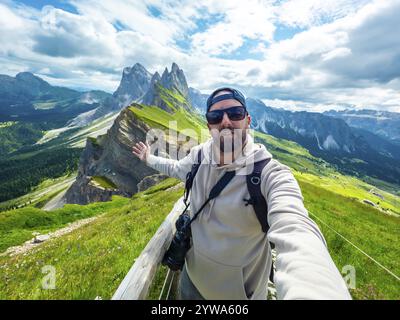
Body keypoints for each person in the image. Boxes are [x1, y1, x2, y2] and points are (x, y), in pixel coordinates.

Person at [132, 87, 351, 300]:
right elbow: (175, 168)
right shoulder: (198, 157)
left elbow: (296, 228)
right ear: (209, 125)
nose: (225, 121)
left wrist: (314, 290)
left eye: (234, 113)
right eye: (216, 116)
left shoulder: (267, 173)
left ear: (247, 120)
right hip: (191, 280)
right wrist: (148, 158)